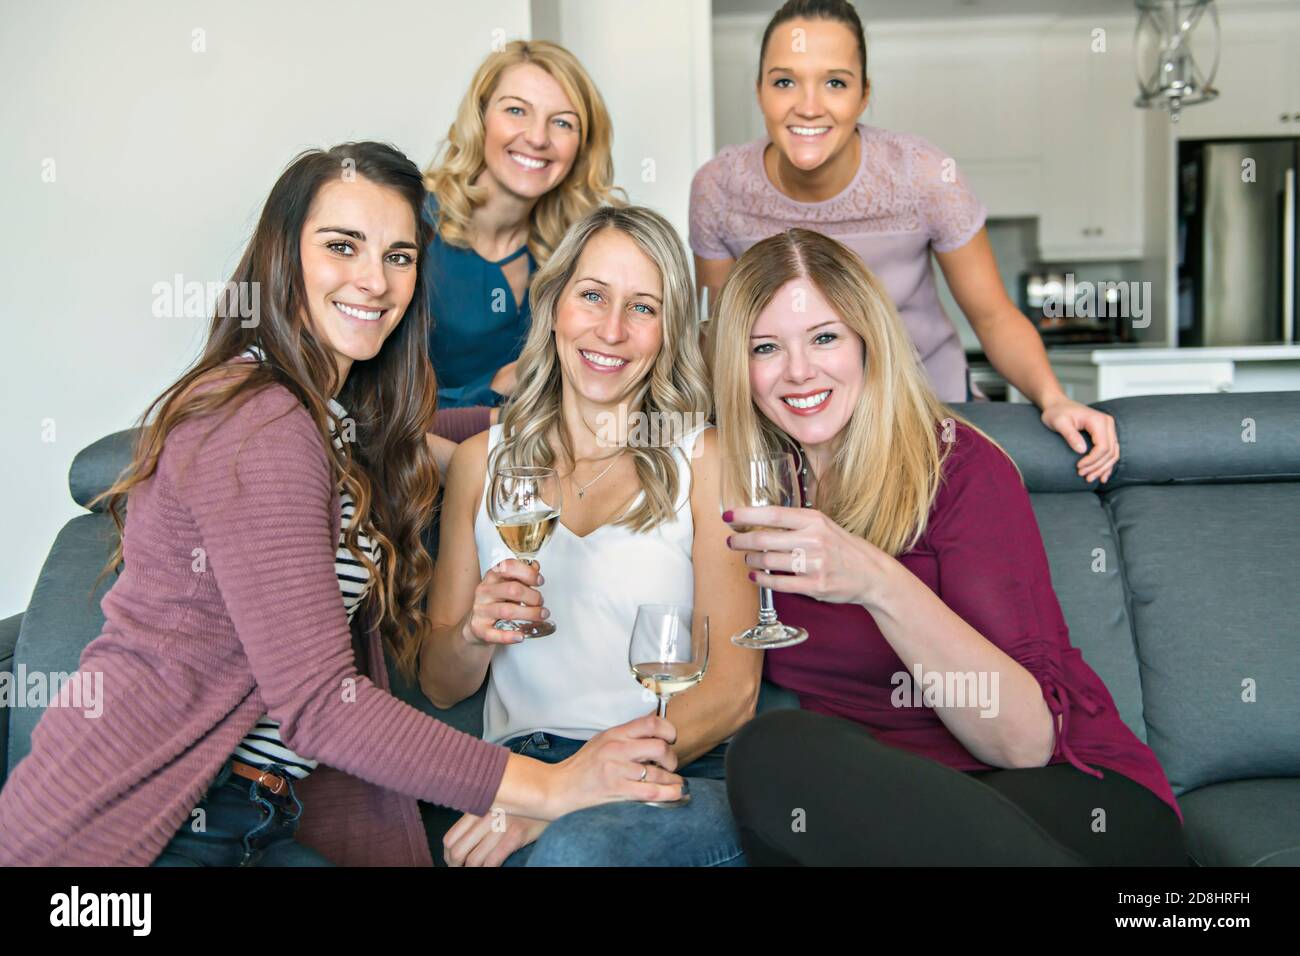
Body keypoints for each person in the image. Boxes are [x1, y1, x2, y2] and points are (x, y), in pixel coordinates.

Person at [0, 143, 683, 867]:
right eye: (342, 246)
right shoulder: (258, 424)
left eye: (397, 256)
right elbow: (323, 705)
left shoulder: (333, 424)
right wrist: (551, 787)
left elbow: (446, 437)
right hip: (131, 832)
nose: (373, 280)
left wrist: (583, 427)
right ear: (283, 257)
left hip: (253, 821)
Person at [712, 227, 1186, 866]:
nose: (799, 371)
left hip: (1066, 798)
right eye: (766, 347)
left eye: (825, 337)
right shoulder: (750, 486)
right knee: (774, 757)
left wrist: (878, 581)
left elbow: (1022, 743)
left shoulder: (957, 468)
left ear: (866, 343)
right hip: (891, 804)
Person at [421, 205, 759, 866]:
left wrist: (573, 789)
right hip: (518, 777)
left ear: (668, 331)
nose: (611, 330)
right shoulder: (481, 463)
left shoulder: (707, 460)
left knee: (576, 853)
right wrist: (472, 635)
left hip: (670, 773)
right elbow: (440, 686)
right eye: (593, 295)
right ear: (554, 306)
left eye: (643, 307)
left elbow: (733, 692)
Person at [691, 0, 1119, 486]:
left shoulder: (924, 176)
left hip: (924, 412)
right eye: (785, 81)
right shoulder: (719, 188)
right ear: (759, 91)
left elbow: (993, 314)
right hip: (793, 425)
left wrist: (1054, 397)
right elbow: (719, 335)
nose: (808, 105)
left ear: (864, 93)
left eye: (835, 82)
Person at [424, 39, 625, 470]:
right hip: (413, 489)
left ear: (582, 145)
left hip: (540, 479)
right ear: (480, 119)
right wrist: (494, 387)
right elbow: (364, 405)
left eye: (563, 123)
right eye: (516, 110)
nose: (537, 138)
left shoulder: (579, 249)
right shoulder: (411, 229)